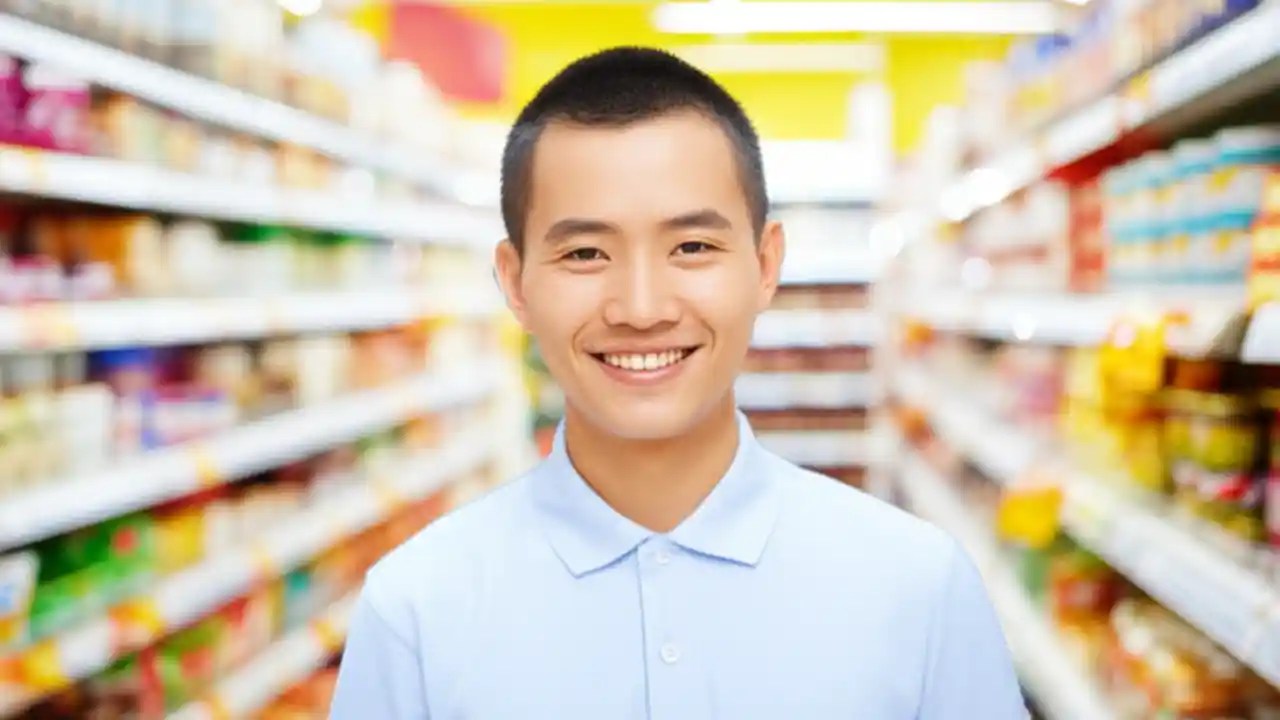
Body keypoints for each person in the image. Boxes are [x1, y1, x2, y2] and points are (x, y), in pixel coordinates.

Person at [329, 46, 1027, 719]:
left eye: (691, 247)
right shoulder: (415, 611)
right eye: (585, 252)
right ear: (515, 283)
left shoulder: (920, 589)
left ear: (765, 265)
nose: (641, 309)